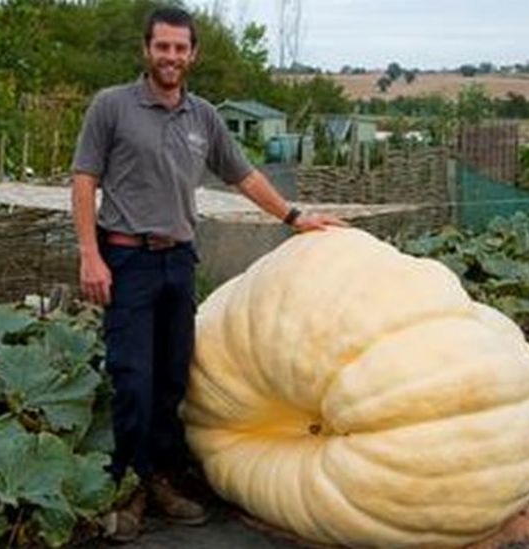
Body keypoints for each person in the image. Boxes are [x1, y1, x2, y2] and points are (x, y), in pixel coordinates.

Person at [69, 6, 345, 542]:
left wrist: (293, 216)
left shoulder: (204, 117)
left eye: (180, 48)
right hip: (127, 259)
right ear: (146, 50)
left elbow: (243, 175)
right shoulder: (112, 107)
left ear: (193, 54)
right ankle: (130, 486)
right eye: (162, 47)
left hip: (179, 260)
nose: (171, 57)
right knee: (132, 378)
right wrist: (89, 254)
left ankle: (164, 478)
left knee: (173, 377)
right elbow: (84, 180)